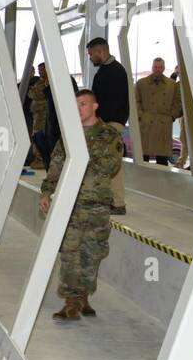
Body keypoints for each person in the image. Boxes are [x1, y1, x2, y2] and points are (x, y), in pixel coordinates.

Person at [38, 89, 123, 321]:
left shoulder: (109, 135)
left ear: (94, 107)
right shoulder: (68, 137)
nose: (78, 109)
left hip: (97, 205)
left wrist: (82, 157)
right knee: (69, 252)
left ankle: (83, 295)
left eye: (83, 104)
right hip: (71, 203)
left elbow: (111, 166)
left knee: (92, 254)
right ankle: (70, 301)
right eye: (75, 105)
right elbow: (55, 165)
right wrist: (46, 191)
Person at [86, 37, 130, 215]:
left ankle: (118, 203)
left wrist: (103, 124)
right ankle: (110, 199)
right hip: (107, 123)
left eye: (91, 54)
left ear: (100, 52)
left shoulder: (114, 71)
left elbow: (112, 102)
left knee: (113, 163)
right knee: (105, 163)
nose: (90, 58)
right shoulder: (106, 71)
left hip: (111, 124)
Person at [134, 57, 180, 165]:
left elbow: (177, 103)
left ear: (164, 68)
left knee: (162, 161)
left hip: (163, 124)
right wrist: (141, 115)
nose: (158, 69)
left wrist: (172, 116)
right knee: (143, 159)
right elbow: (136, 101)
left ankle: (162, 182)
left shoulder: (172, 85)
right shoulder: (141, 83)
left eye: (160, 67)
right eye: (155, 67)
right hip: (147, 123)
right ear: (152, 67)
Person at [26, 62, 49, 167]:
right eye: (39, 70)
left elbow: (39, 94)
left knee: (41, 136)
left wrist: (35, 92)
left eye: (41, 70)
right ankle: (37, 157)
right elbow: (31, 94)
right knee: (34, 135)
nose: (40, 72)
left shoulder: (48, 83)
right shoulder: (39, 83)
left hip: (44, 114)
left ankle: (41, 158)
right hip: (36, 114)